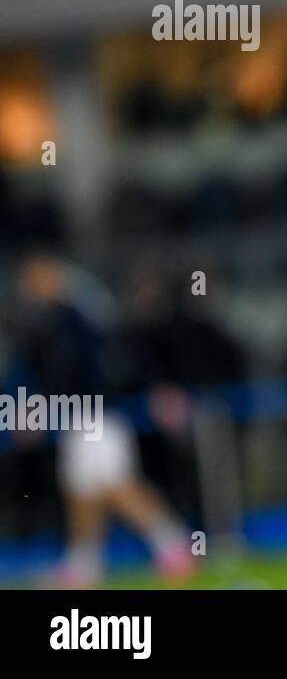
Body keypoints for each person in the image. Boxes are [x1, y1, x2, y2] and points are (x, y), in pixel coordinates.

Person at [13, 251, 196, 588]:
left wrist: (38, 408)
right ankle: (84, 565)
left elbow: (74, 371)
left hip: (96, 414)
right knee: (81, 491)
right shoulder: (73, 314)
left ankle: (174, 544)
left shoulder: (74, 316)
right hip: (82, 415)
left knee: (117, 486)